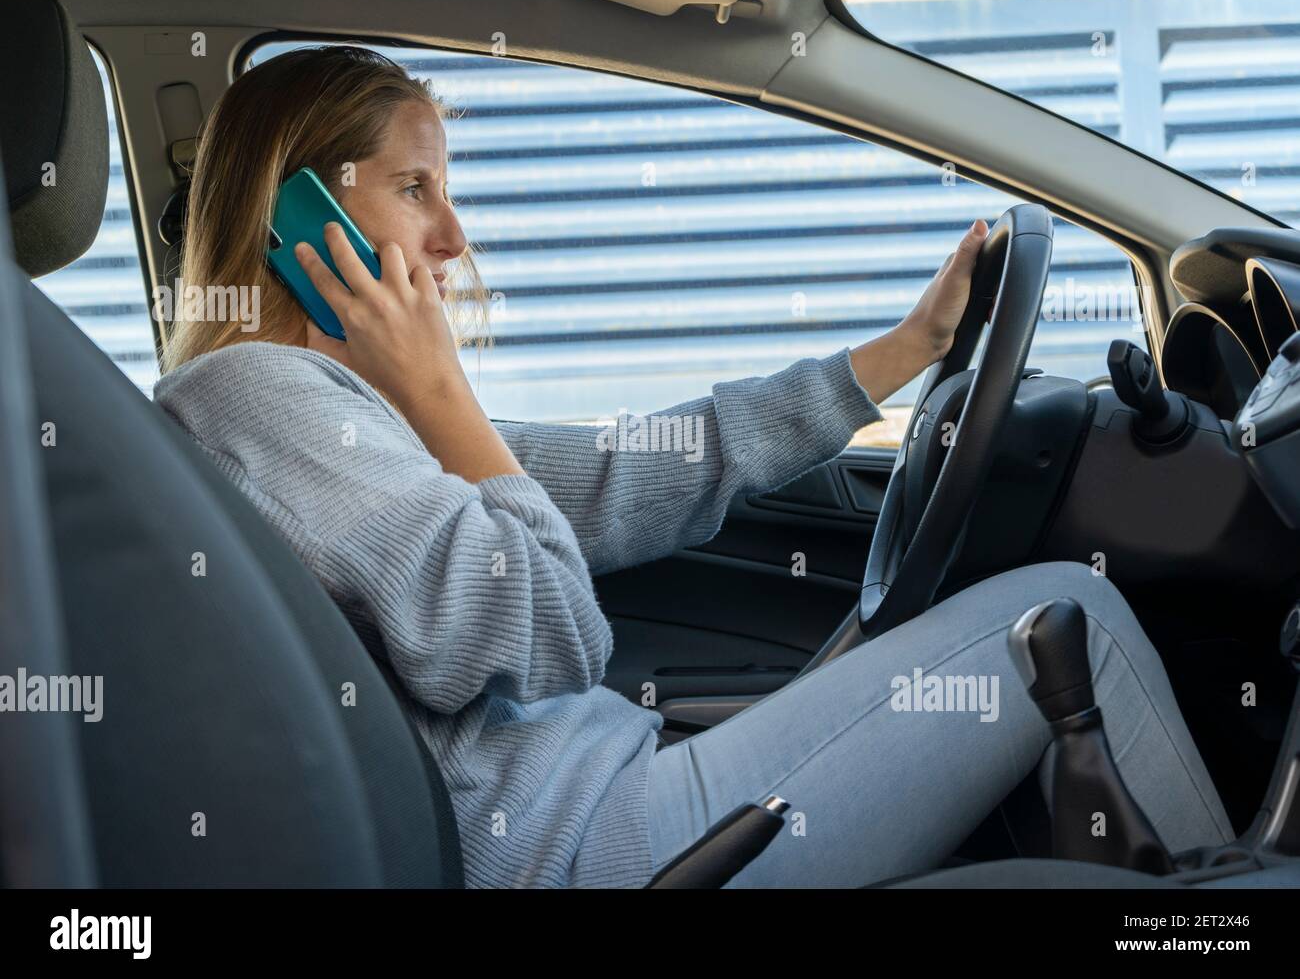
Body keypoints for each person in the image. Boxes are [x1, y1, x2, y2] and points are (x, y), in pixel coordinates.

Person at [153, 45, 1233, 888]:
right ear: (299, 218)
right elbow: (548, 630)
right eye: (415, 187)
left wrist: (896, 358)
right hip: (590, 855)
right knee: (1067, 616)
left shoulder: (347, 409)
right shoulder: (263, 397)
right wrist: (442, 394)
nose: (453, 235)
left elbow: (627, 471)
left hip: (600, 804)